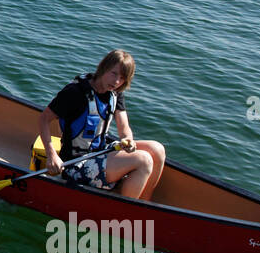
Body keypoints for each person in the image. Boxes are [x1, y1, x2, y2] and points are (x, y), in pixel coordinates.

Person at [37, 50, 167, 200]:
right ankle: (125, 210)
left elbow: (124, 129)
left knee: (157, 150)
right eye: (114, 73)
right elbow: (44, 119)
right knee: (143, 160)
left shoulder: (116, 93)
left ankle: (144, 203)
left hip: (99, 152)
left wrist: (128, 140)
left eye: (123, 78)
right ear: (103, 67)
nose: (117, 81)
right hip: (76, 164)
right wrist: (51, 155)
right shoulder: (75, 92)